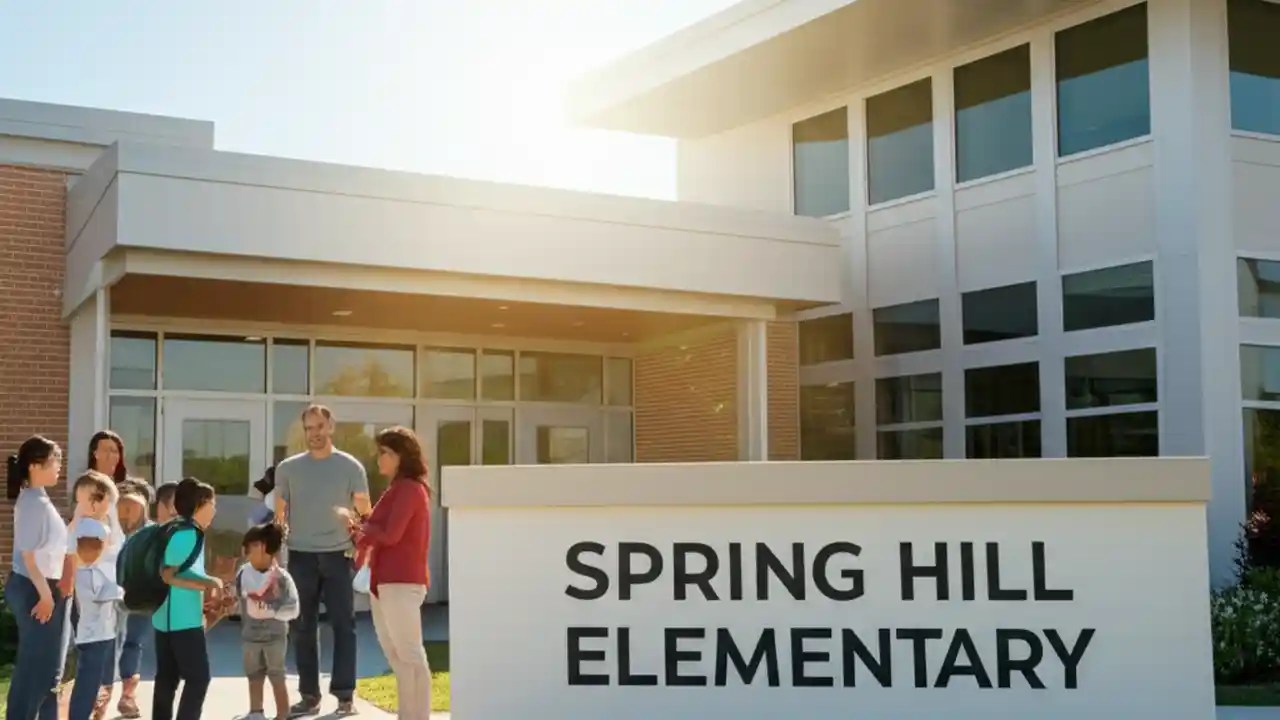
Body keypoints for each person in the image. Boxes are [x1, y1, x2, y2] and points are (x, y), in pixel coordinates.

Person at [274, 405, 370, 717]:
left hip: (339, 556)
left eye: (319, 427)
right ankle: (309, 696)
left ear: (331, 426)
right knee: (303, 627)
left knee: (344, 625)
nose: (314, 434)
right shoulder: (288, 468)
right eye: (308, 429)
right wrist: (274, 554)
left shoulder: (350, 466)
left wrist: (355, 529)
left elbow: (365, 514)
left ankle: (344, 696)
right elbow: (279, 516)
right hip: (300, 556)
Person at [350, 426, 432, 720]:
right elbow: (378, 529)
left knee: (410, 654)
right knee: (397, 656)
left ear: (401, 456)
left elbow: (392, 533)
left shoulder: (411, 489)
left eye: (385, 453)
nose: (379, 459)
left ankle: (418, 716)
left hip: (402, 581)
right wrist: (360, 526)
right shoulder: (397, 489)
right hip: (384, 581)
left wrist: (361, 526)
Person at [5, 436, 70, 720]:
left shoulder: (39, 499)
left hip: (43, 587)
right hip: (35, 589)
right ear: (34, 465)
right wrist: (45, 595)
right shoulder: (32, 502)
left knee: (45, 670)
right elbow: (29, 556)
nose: (59, 467)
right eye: (55, 460)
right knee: (35, 668)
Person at [152, 477, 222, 720]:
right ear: (201, 504)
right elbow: (171, 572)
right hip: (181, 620)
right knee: (198, 678)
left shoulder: (178, 529)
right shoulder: (189, 533)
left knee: (167, 679)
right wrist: (211, 582)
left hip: (165, 617)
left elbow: (174, 572)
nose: (215, 509)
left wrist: (207, 585)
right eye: (213, 503)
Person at [235, 522, 300, 720]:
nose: (246, 550)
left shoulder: (281, 578)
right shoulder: (243, 573)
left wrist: (272, 604)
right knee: (253, 674)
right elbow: (237, 598)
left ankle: (282, 714)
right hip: (250, 633)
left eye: (251, 546)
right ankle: (256, 712)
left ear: (263, 547)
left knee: (276, 674)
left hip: (275, 635)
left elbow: (293, 608)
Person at [68, 516, 124, 720]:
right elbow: (95, 596)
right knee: (88, 683)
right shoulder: (81, 573)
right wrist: (118, 591)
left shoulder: (99, 568)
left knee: (102, 681)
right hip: (91, 636)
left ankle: (94, 713)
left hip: (105, 632)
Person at [112, 479, 154, 718]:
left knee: (133, 643)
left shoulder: (152, 533)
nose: (127, 513)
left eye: (132, 506)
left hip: (139, 598)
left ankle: (128, 696)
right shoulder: (108, 527)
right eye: (123, 506)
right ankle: (100, 693)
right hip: (109, 597)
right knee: (107, 645)